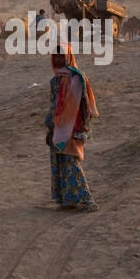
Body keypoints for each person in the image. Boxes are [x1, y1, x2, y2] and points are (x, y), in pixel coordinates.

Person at [45, 42, 99, 212]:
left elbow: (83, 105)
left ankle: (87, 200)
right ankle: (67, 200)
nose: (60, 59)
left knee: (72, 162)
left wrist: (82, 128)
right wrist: (50, 127)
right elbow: (54, 104)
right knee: (60, 162)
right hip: (57, 127)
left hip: (73, 128)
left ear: (69, 56)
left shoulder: (77, 78)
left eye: (63, 56)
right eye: (57, 56)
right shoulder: (54, 80)